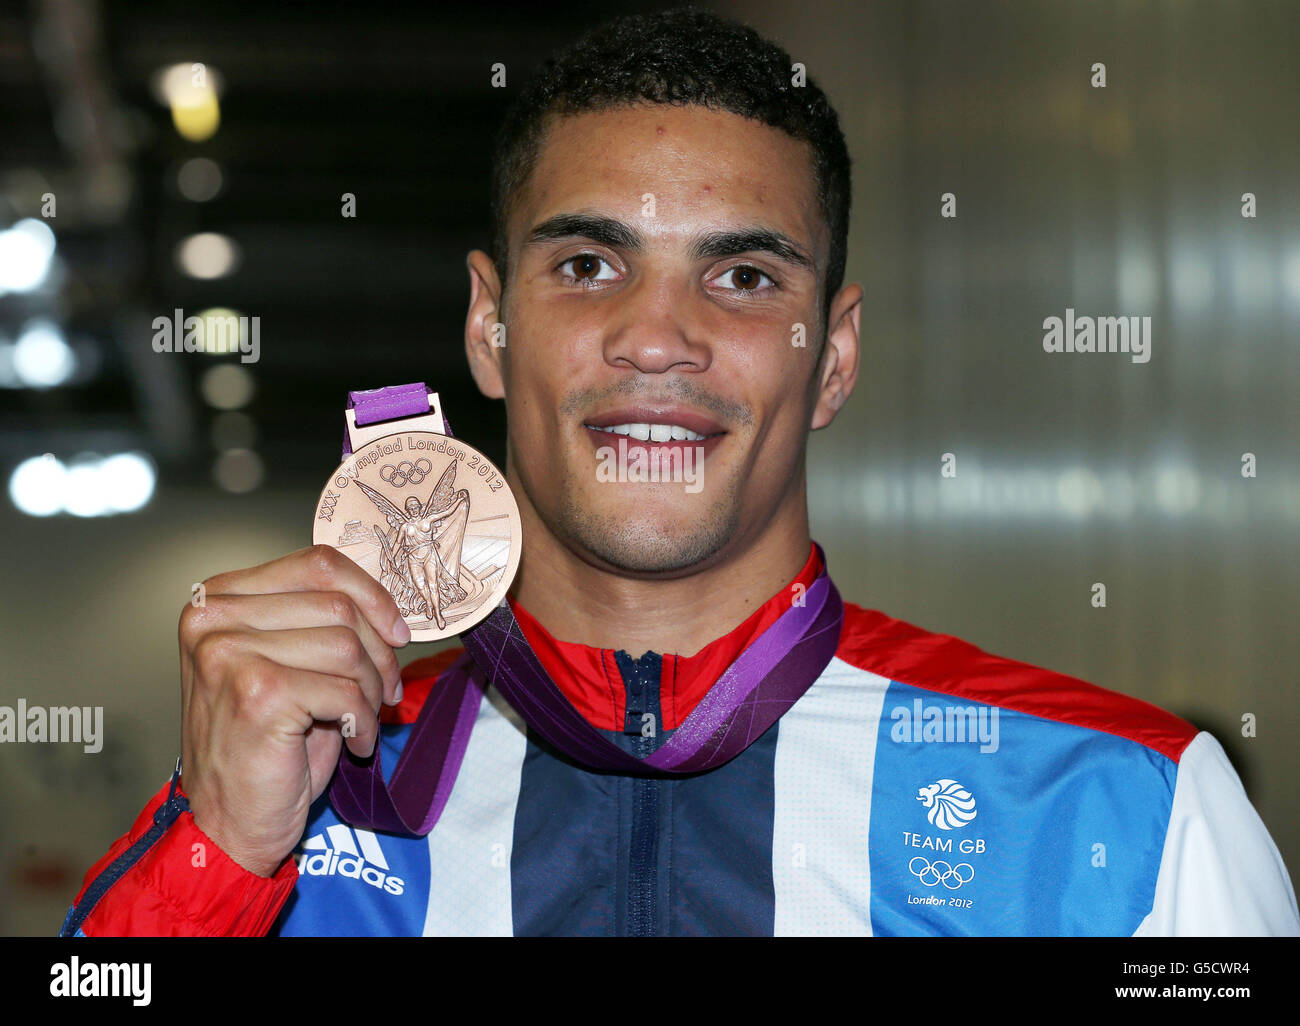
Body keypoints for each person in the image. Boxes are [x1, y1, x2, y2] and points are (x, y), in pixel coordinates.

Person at [60, 7, 1298, 937]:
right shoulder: (316, 794)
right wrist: (216, 847)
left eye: (744, 276)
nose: (657, 337)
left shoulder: (1122, 810)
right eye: (590, 265)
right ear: (490, 328)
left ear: (834, 357)